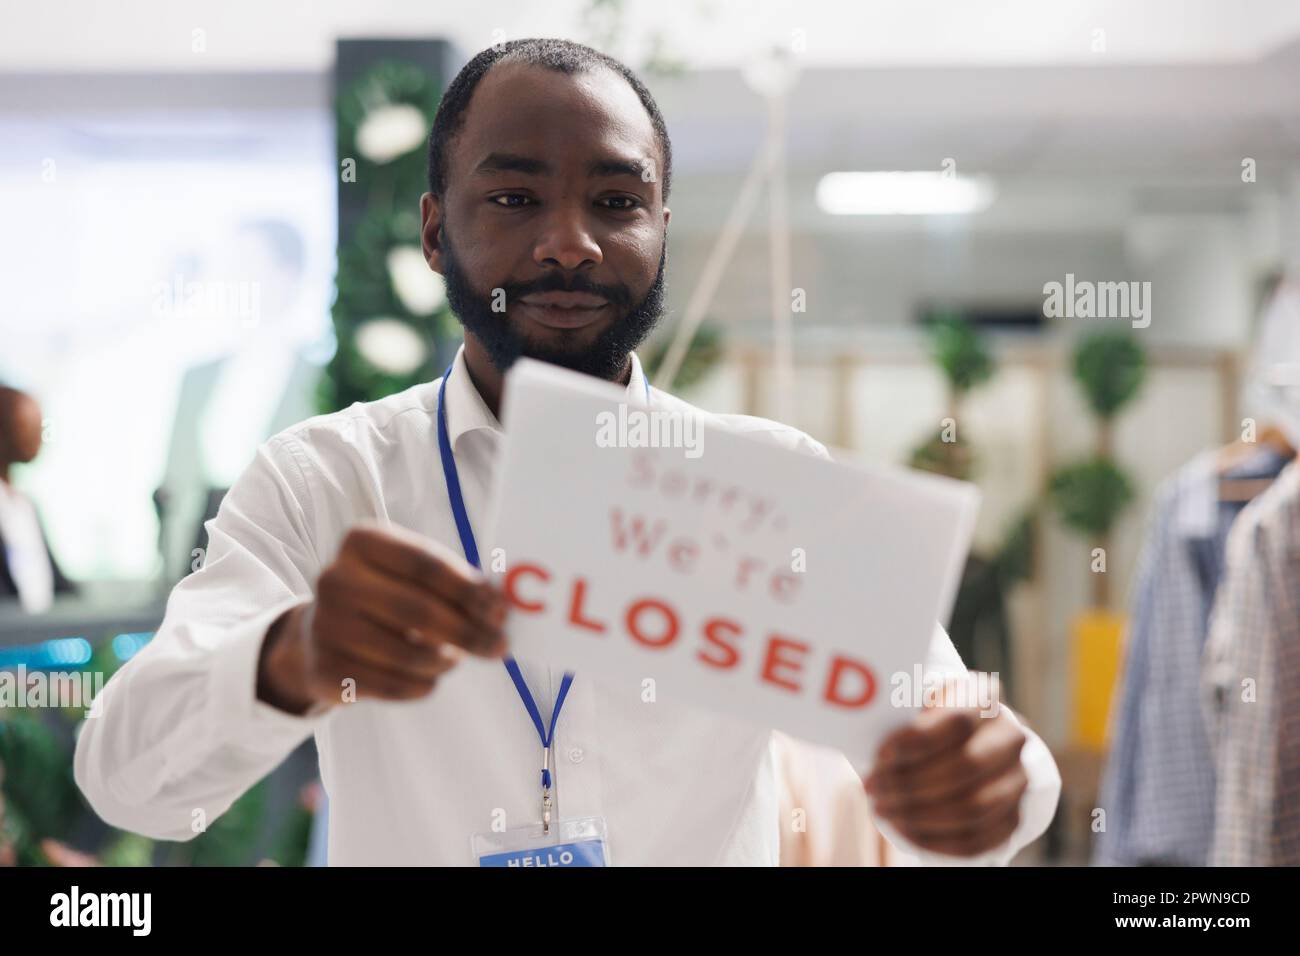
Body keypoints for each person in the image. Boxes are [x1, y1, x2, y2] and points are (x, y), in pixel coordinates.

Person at [75, 38, 1059, 866]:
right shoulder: (326, 481)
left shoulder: (769, 487)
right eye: (513, 198)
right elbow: (126, 777)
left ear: (662, 230)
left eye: (617, 202)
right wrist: (294, 654)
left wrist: (987, 780)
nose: (570, 244)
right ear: (432, 231)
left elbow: (966, 734)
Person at [0, 385, 76, 612]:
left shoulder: (25, 506)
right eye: (27, 423)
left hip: (38, 636)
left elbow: (57, 584)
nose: (38, 435)